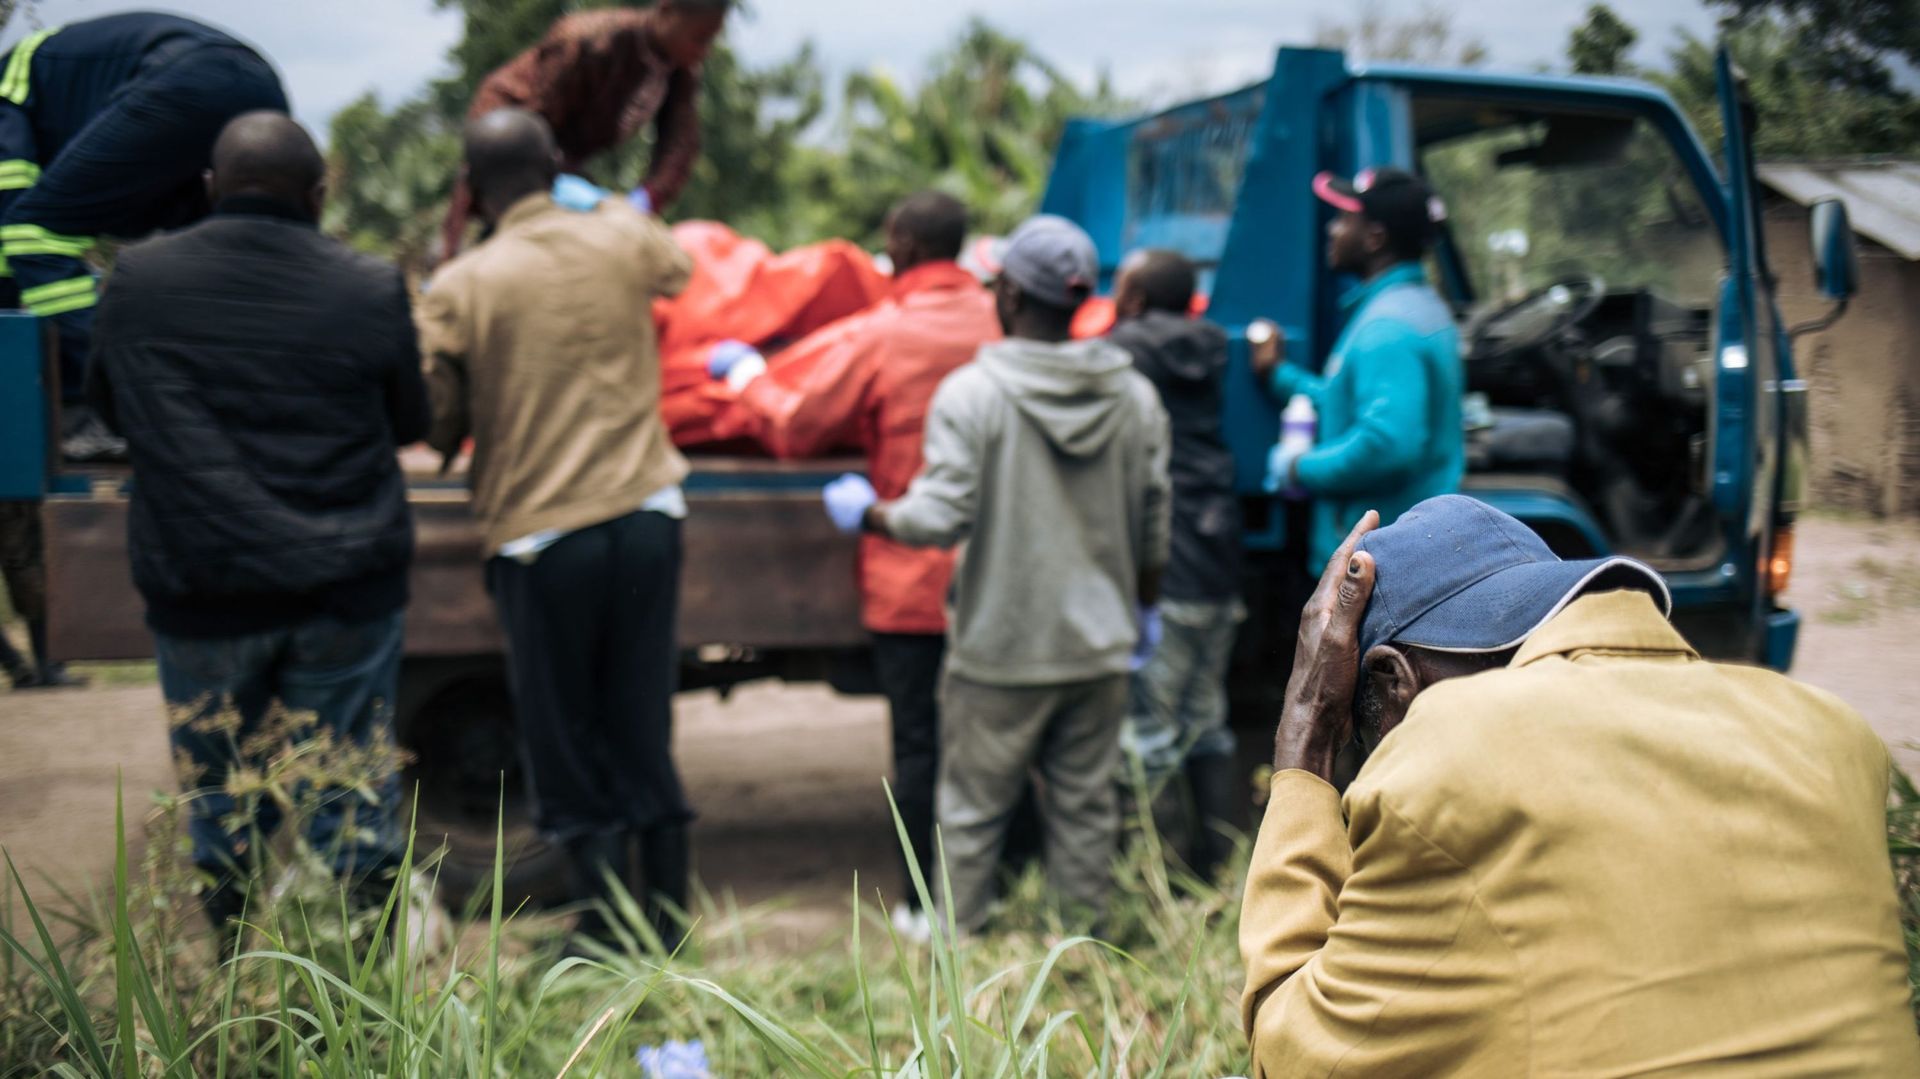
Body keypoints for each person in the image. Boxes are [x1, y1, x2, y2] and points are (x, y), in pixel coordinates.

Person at [1240, 495, 1920, 1076]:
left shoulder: (1452, 749)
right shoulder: (1833, 737)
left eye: (1369, 731)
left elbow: (1292, 1051)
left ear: (1392, 682)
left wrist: (1310, 726)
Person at [86, 113, 428, 936]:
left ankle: (237, 995)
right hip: (345, 591)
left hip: (203, 591)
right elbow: (410, 420)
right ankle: (357, 1023)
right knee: (349, 813)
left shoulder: (139, 279)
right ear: (317, 197)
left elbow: (108, 409)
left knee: (222, 810)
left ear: (211, 188)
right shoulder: (370, 284)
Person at [839, 215, 1171, 933]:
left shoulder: (972, 395)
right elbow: (1153, 519)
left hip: (1001, 649)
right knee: (1086, 806)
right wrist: (1143, 605)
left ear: (1013, 296)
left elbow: (937, 518)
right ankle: (1081, 955)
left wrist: (872, 514)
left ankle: (964, 963)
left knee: (971, 809)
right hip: (1100, 645)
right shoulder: (1133, 397)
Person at [420, 108, 696, 955]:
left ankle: (605, 933)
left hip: (545, 538)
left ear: (472, 189)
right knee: (641, 724)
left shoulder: (463, 284)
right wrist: (610, 206)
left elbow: (438, 421)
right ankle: (672, 924)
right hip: (648, 514)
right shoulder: (620, 238)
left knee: (565, 736)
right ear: (554, 165)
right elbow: (678, 267)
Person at [712, 191, 1000, 934]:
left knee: (920, 742)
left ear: (899, 243)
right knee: (1004, 736)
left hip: (912, 578)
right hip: (1005, 576)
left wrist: (744, 377)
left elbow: (796, 422)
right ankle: (1005, 883)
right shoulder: (1007, 321)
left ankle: (925, 901)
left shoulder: (882, 334)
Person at [0, 12, 288, 460]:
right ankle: (245, 405)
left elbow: (15, 222)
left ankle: (106, 411)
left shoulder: (6, 86)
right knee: (214, 259)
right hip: (258, 85)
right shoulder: (66, 82)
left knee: (32, 235)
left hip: (183, 79)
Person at [1107, 249, 1244, 882]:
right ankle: (1221, 873)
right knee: (1207, 724)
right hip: (1219, 562)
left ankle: (1157, 885)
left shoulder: (1122, 350)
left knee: (1150, 736)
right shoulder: (1214, 345)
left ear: (1133, 298)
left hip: (1171, 570)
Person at [1255, 167, 1462, 571]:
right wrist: (1278, 374)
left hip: (1377, 565)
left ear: (1375, 238)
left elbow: (1386, 446)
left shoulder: (1387, 328)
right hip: (1403, 553)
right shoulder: (1415, 306)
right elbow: (1342, 399)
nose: (1333, 231)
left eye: (1345, 220)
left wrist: (1298, 468)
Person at [440, 0, 728, 256]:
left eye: (710, 41)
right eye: (699, 38)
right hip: (512, 130)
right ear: (666, 11)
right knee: (507, 222)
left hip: (563, 154)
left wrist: (647, 199)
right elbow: (539, 119)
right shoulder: (589, 40)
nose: (704, 51)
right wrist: (554, 184)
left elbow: (681, 143)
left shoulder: (679, 68)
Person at [0, 501, 83, 689]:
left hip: (14, 495)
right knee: (29, 574)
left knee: (30, 578)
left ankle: (41, 666)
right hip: (14, 493)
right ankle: (21, 667)